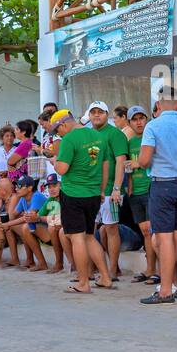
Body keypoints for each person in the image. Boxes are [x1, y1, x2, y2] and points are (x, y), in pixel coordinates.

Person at [133, 90, 177, 303]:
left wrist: (138, 161)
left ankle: (165, 290)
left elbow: (145, 160)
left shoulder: (153, 126)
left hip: (162, 185)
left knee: (164, 238)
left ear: (159, 104)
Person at [52, 109, 114, 294]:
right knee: (88, 236)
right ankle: (105, 276)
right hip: (94, 192)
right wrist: (102, 190)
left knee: (76, 237)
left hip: (73, 194)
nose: (58, 134)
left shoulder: (69, 140)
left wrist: (55, 160)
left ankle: (83, 282)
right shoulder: (98, 136)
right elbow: (105, 166)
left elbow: (62, 169)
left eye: (57, 130)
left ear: (63, 124)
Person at [85, 102, 129, 279]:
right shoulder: (89, 135)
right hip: (92, 191)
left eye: (100, 112)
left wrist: (117, 188)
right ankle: (90, 270)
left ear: (107, 114)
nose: (96, 115)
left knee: (111, 229)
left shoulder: (115, 134)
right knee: (90, 230)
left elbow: (120, 162)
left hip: (111, 190)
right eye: (93, 112)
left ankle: (112, 269)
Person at [123, 106, 157, 284]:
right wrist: (128, 186)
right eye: (134, 119)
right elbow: (127, 167)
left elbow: (148, 161)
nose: (138, 122)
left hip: (150, 188)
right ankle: (149, 269)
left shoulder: (150, 138)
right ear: (129, 123)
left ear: (147, 119)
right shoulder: (129, 143)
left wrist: (136, 163)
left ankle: (155, 270)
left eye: (141, 118)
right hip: (135, 191)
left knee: (153, 231)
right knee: (145, 231)